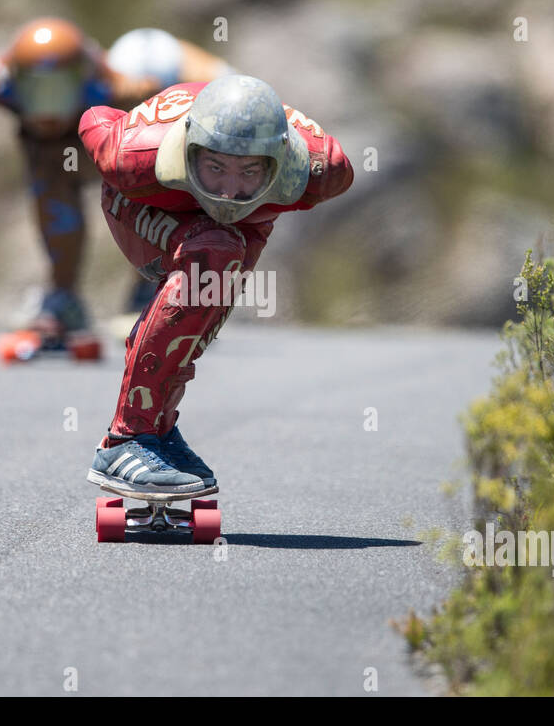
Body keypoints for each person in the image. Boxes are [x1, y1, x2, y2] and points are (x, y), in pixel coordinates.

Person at [78, 74, 354, 494]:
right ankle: (126, 440)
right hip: (142, 200)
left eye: (249, 171)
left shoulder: (322, 170)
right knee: (214, 252)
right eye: (214, 166)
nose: (228, 192)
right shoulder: (131, 155)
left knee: (202, 313)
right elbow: (94, 117)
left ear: (279, 164)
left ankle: (159, 430)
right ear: (188, 150)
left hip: (249, 225)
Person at [0, 19, 230, 357]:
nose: (47, 110)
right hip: (76, 145)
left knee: (155, 171)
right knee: (47, 165)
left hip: (149, 120)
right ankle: (64, 294)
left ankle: (155, 284)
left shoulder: (119, 90)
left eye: (58, 93)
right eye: (36, 93)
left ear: (82, 84)